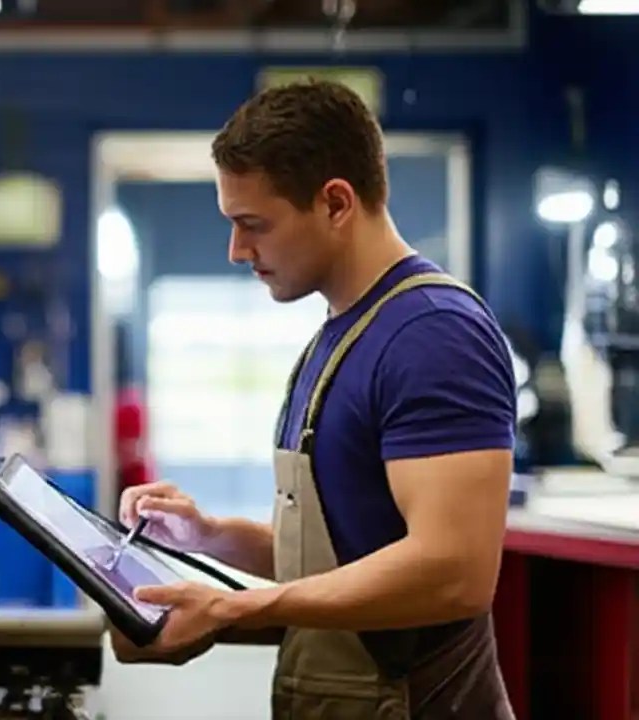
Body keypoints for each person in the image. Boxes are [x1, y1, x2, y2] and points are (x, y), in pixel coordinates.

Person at [111, 79, 518, 719]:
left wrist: (236, 606)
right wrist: (211, 536)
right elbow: (351, 551)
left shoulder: (433, 334)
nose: (237, 251)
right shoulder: (344, 332)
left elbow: (452, 573)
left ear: (335, 203)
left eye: (253, 225)